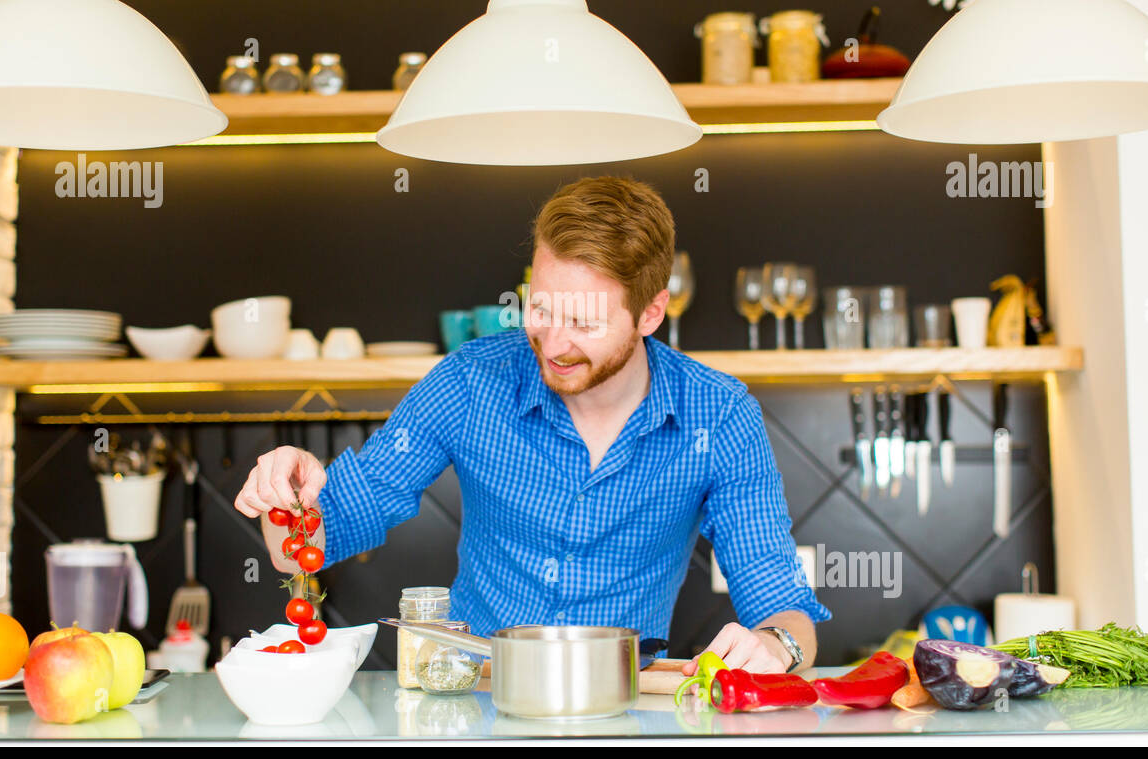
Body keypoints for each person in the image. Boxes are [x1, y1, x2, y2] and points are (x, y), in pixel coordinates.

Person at [234, 175, 831, 676]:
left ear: (651, 312)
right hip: (474, 696)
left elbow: (781, 603)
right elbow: (307, 547)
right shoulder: (471, 383)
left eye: (585, 322)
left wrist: (776, 646)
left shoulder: (718, 415)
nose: (556, 343)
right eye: (540, 308)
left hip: (626, 707)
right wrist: (285, 494)